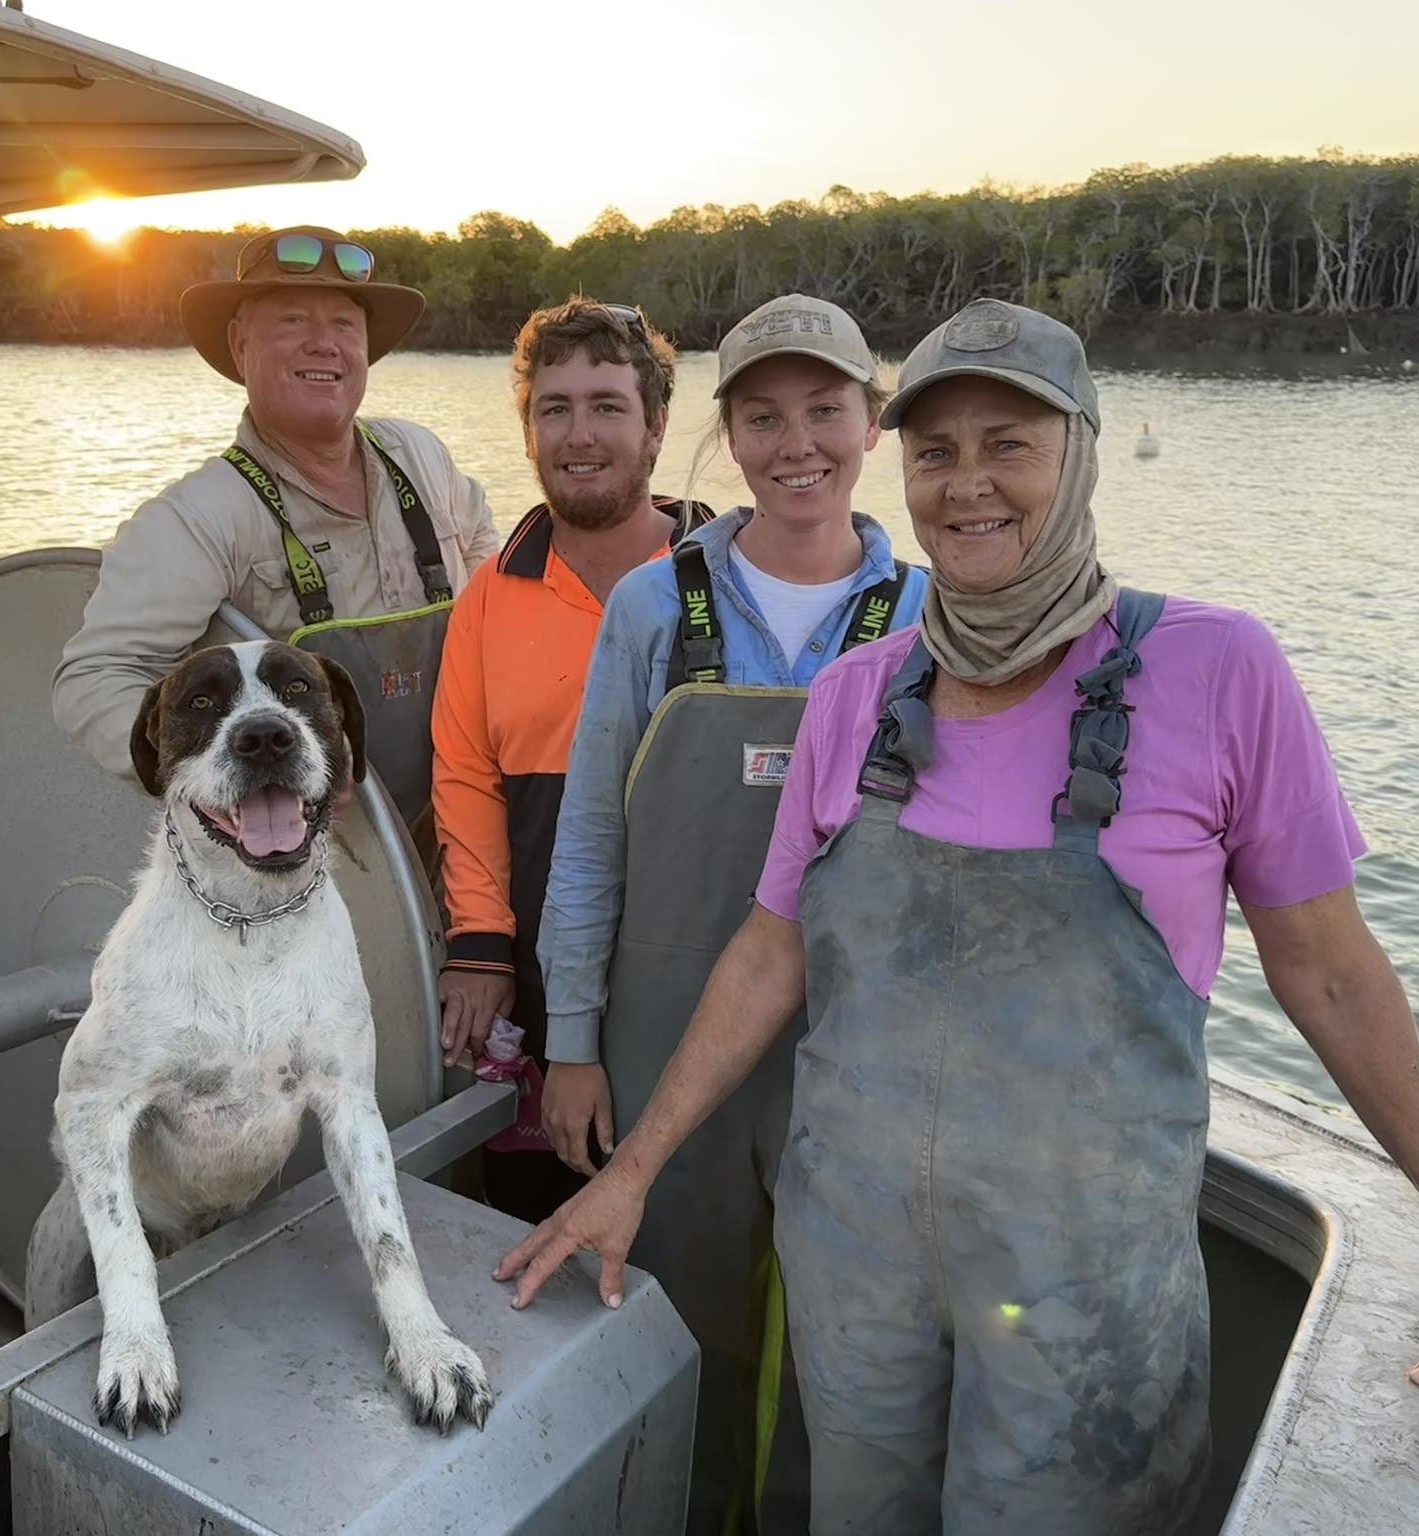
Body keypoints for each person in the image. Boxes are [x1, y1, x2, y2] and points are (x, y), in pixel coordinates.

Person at [499, 298, 1419, 1534]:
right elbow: (767, 950)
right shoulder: (856, 693)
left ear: (1083, 452)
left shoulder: (1218, 671)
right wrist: (631, 1171)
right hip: (857, 1292)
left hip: (1082, 1307)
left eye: (1009, 444)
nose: (966, 486)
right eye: (935, 451)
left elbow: (1327, 976)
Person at [535, 294, 930, 1531]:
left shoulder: (931, 619)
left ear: (871, 423)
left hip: (855, 1054)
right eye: (761, 417)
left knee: (846, 1354)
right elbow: (591, 835)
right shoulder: (655, 608)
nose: (794, 442)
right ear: (726, 434)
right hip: (665, 1048)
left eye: (824, 410)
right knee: (667, 1330)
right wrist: (571, 1042)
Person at [52, 226, 499, 836]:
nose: (325, 345)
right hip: (300, 847)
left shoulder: (419, 455)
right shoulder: (199, 516)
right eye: (292, 321)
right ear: (240, 346)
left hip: (461, 814)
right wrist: (213, 771)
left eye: (345, 325)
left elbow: (483, 550)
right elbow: (92, 677)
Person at [431, 298, 707, 1223]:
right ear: (527, 431)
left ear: (658, 425)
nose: (579, 434)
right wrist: (479, 946)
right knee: (539, 1214)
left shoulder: (733, 570)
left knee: (691, 1214)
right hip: (546, 971)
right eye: (555, 408)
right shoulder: (491, 594)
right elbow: (465, 775)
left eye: (607, 405)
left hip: (704, 964)